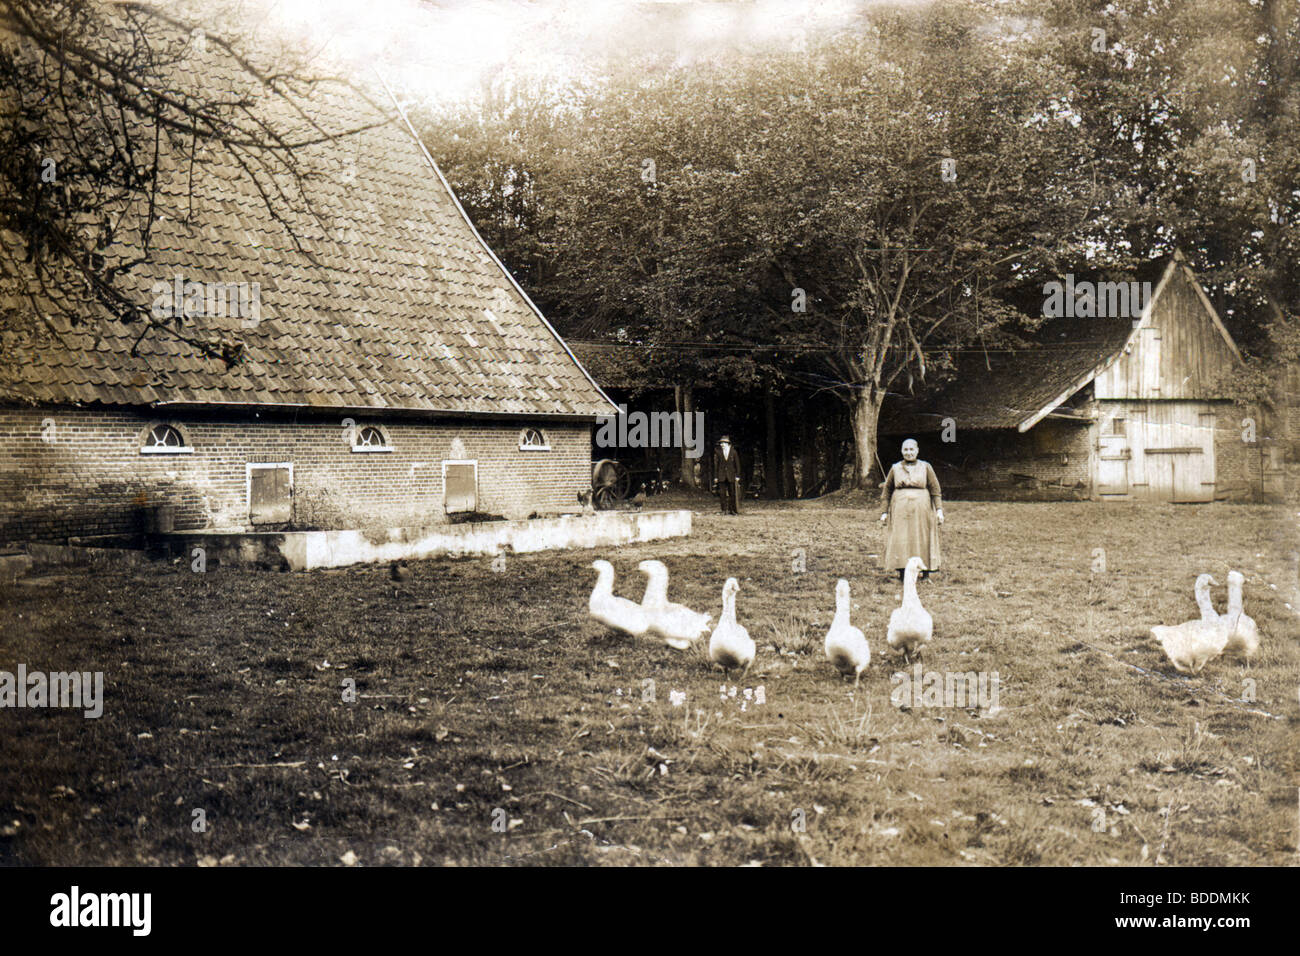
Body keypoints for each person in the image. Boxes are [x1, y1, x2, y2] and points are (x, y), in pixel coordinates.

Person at [879, 438, 943, 579]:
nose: (909, 452)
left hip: (922, 510)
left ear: (917, 451)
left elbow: (935, 490)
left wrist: (939, 510)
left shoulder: (926, 467)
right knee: (902, 538)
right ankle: (903, 572)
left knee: (922, 537)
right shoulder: (895, 468)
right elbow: (887, 491)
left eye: (911, 449)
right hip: (900, 510)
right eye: (906, 449)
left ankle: (925, 572)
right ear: (902, 451)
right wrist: (884, 512)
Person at [712, 435, 741, 515]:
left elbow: (737, 465)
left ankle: (732, 510)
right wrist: (716, 477)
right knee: (722, 494)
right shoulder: (718, 452)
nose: (722, 445)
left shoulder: (734, 452)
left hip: (731, 476)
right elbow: (716, 465)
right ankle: (723, 510)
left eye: (723, 443)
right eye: (721, 443)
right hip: (721, 476)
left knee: (732, 493)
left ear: (728, 443)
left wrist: (737, 475)